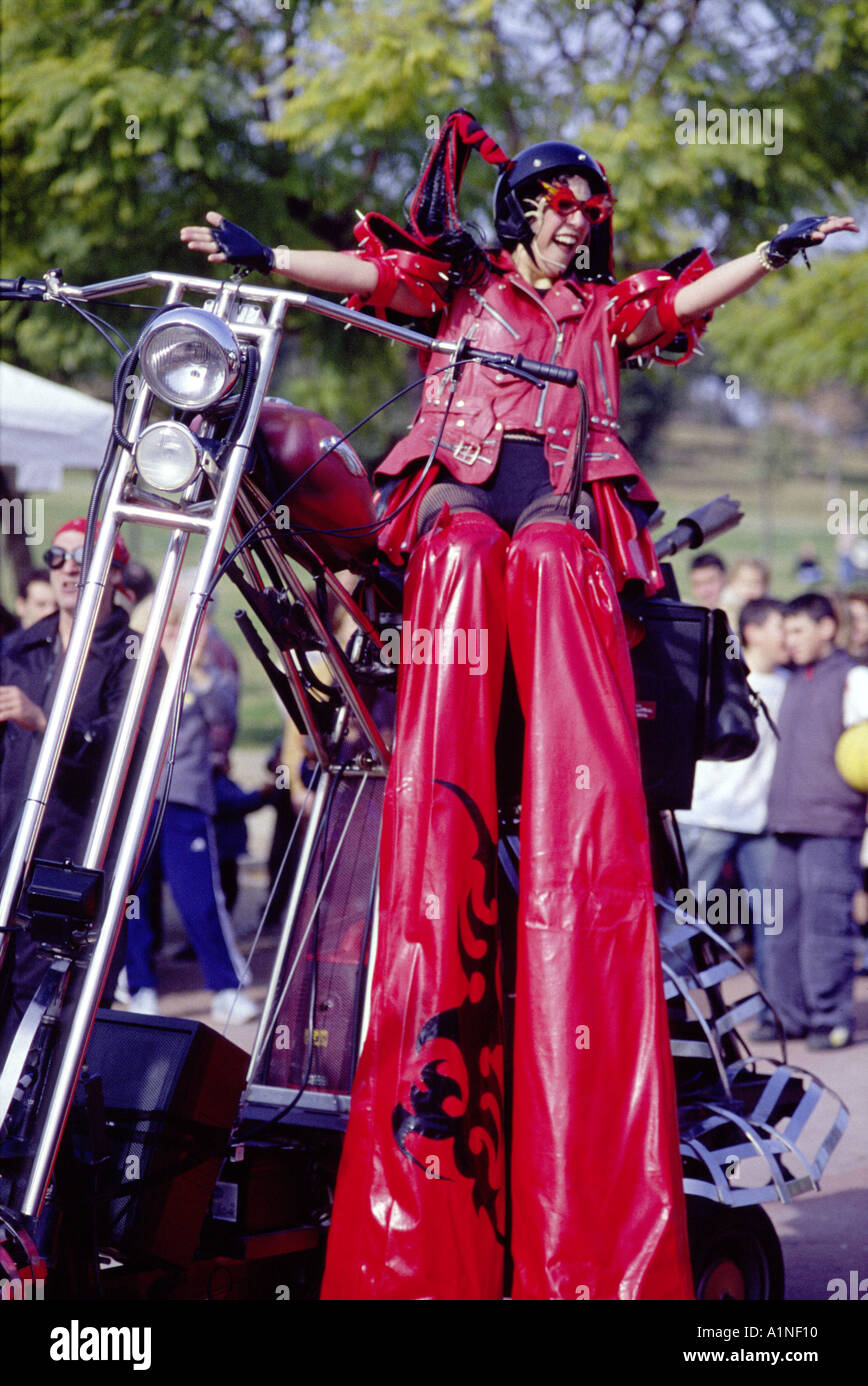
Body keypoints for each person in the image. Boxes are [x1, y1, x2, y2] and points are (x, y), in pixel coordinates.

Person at [181, 110, 857, 1300]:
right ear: (519, 218)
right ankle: (449, 769)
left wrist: (775, 251)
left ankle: (561, 762)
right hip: (459, 500)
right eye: (554, 208)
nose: (570, 226)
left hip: (557, 513)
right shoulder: (461, 289)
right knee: (454, 550)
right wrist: (261, 258)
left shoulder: (601, 316)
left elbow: (680, 306)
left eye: (584, 213)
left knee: (550, 560)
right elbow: (378, 274)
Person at [0, 520, 141, 1052]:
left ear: (116, 571)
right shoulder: (19, 649)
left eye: (85, 556)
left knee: (48, 1017)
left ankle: (31, 1132)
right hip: (9, 849)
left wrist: (48, 723)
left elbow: (123, 749)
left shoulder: (135, 655)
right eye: (57, 556)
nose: (69, 567)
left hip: (74, 863)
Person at [122, 597, 257, 1024]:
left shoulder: (207, 678)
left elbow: (224, 713)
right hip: (138, 802)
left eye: (184, 629)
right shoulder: (135, 675)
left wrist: (196, 670)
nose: (176, 638)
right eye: (168, 629)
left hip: (185, 803)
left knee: (199, 900)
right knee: (134, 899)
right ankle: (138, 983)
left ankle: (226, 986)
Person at [763, 593, 868, 1048]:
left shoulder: (854, 678)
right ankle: (787, 1015)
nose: (789, 640)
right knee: (780, 925)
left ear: (827, 628)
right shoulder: (792, 679)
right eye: (784, 631)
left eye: (798, 630)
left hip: (832, 823)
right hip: (786, 821)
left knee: (824, 926)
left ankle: (831, 1018)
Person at [676, 598, 788, 1011]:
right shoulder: (724, 677)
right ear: (754, 632)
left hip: (760, 825)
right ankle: (671, 1012)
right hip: (710, 820)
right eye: (781, 625)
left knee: (772, 916)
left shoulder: (790, 685)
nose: (786, 636)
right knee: (685, 921)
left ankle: (775, 1008)